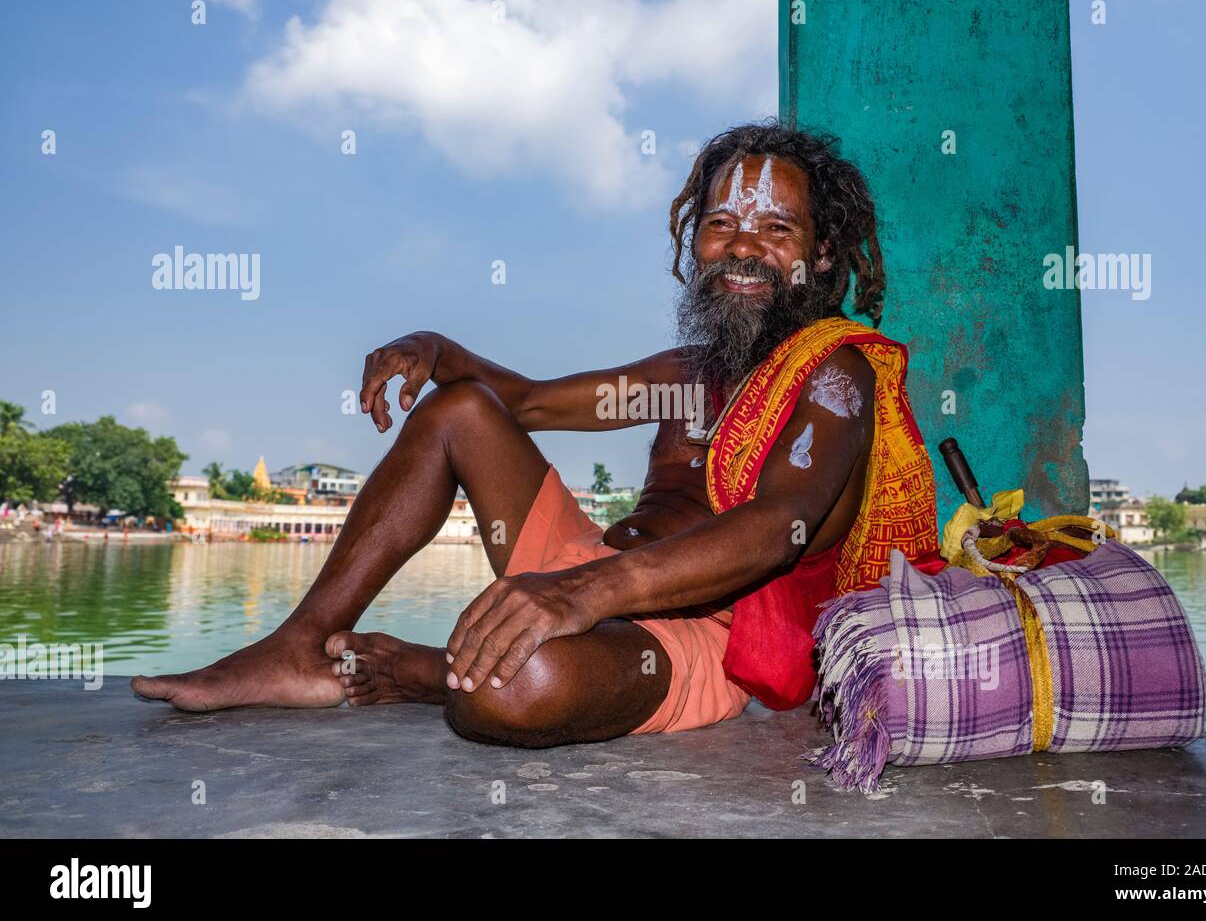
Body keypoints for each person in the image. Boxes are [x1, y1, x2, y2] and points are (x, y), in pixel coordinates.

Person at [132, 121, 938, 746]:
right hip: (589, 571)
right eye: (722, 223)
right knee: (460, 410)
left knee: (509, 691)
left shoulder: (837, 376)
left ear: (822, 255)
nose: (742, 247)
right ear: (695, 241)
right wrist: (439, 350)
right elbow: (523, 402)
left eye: (776, 231)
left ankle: (424, 672)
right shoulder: (684, 372)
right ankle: (301, 647)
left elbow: (774, 528)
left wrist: (577, 595)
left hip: (702, 629)